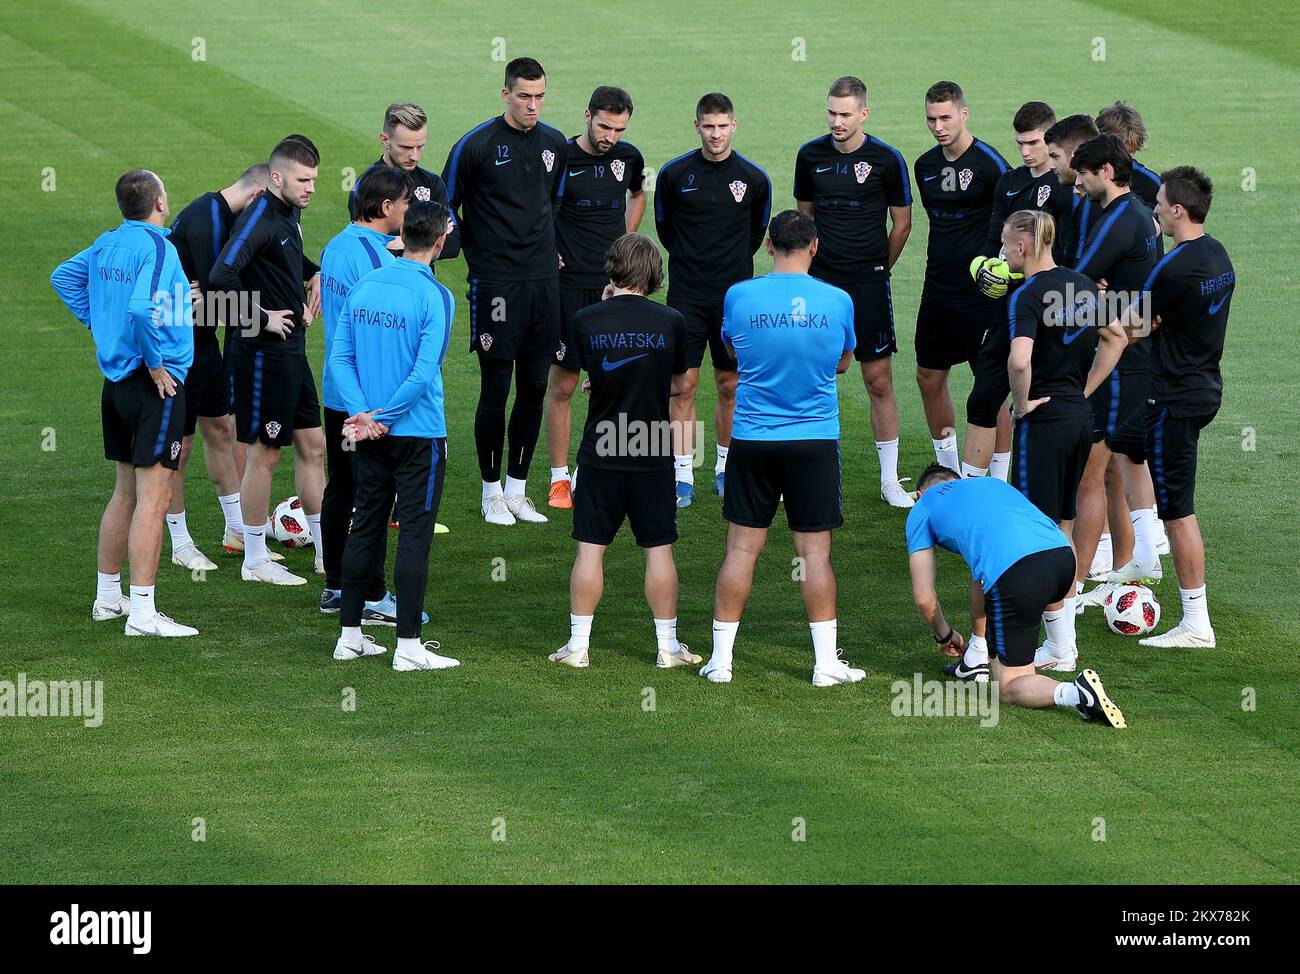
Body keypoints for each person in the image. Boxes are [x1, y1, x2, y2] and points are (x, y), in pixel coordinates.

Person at [698, 210, 863, 687]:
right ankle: (825, 665)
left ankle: (720, 661)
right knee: (814, 554)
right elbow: (843, 363)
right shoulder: (838, 300)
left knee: (741, 549)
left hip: (752, 439)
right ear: (815, 247)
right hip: (814, 440)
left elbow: (732, 351)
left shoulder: (739, 295)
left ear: (768, 246)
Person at [1085, 167, 1233, 648]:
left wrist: (1096, 304)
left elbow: (1126, 331)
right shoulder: (1217, 255)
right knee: (1125, 442)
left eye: (1161, 202)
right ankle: (1144, 556)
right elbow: (1166, 315)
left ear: (1178, 210)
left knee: (1179, 512)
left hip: (1174, 400)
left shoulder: (1171, 268)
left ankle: (1196, 624)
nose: (1155, 208)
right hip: (1203, 386)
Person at [50, 169, 198, 636]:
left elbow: (63, 277)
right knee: (153, 500)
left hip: (115, 386)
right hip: (156, 387)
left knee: (125, 492)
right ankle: (143, 614)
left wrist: (98, 323)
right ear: (159, 202)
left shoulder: (107, 242)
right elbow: (140, 308)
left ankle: (108, 597)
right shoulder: (158, 247)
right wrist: (154, 364)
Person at [548, 234, 697, 668]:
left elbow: (580, 376)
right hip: (651, 446)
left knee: (590, 549)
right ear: (653, 272)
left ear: (612, 268)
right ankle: (668, 647)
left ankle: (578, 646)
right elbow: (680, 384)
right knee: (659, 550)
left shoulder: (585, 319)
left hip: (602, 446)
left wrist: (602, 379)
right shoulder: (671, 320)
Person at [327, 201, 460, 671]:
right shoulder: (438, 296)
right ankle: (408, 647)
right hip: (418, 433)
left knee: (364, 524)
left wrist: (362, 415)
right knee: (415, 537)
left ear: (402, 236)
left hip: (367, 433)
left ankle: (349, 636)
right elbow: (424, 371)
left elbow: (339, 358)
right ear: (440, 241)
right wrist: (384, 416)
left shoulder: (365, 285)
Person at [442, 56, 568, 526]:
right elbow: (445, 202)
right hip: (496, 284)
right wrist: (475, 251)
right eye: (524, 96)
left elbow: (553, 203)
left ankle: (517, 490)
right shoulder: (475, 145)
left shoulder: (554, 143)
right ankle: (490, 492)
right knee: (496, 387)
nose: (533, 105)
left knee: (535, 386)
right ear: (506, 94)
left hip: (543, 283)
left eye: (540, 96)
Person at [905, 466, 1125, 728]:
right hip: (1063, 557)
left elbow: (924, 598)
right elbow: (982, 572)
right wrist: (978, 644)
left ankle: (1077, 693)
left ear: (920, 494)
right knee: (1014, 570)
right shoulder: (992, 484)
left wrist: (944, 635)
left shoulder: (923, 507)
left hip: (1017, 572)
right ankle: (1055, 647)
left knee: (1009, 685)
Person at [210, 134, 326, 586]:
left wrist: (313, 272)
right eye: (303, 180)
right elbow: (222, 274)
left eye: (314, 179)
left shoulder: (288, 211)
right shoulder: (259, 216)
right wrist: (262, 316)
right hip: (262, 354)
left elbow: (282, 257)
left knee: (313, 444)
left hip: (291, 350)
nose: (311, 188)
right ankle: (255, 559)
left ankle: (325, 551)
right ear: (277, 177)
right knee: (265, 453)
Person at [795, 75, 914, 507]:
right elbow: (804, 221)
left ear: (863, 113)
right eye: (831, 113)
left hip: (868, 283)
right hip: (822, 283)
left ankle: (889, 481)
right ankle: (803, 474)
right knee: (812, 376)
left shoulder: (887, 159)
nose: (837, 122)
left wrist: (879, 269)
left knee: (878, 380)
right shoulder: (810, 155)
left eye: (845, 114)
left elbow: (902, 224)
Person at [1063, 134, 1163, 636]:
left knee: (1088, 475)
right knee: (1108, 476)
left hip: (1121, 363)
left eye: (1083, 174)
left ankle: (1072, 588)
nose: (1078, 184)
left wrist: (1089, 293)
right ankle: (1125, 565)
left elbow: (1072, 282)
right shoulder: (1135, 212)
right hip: (1132, 351)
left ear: (1106, 170)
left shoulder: (1120, 219)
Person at [318, 164, 426, 625]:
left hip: (336, 390)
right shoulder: (379, 257)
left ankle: (336, 586)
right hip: (369, 401)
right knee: (372, 497)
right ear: (386, 207)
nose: (409, 209)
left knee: (341, 487)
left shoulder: (334, 245)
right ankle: (373, 594)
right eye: (405, 202)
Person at [654, 92, 770, 507]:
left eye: (723, 126)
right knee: (682, 386)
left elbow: (756, 233)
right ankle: (682, 473)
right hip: (685, 297)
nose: (716, 134)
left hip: (734, 300)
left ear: (734, 126)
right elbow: (665, 229)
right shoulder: (674, 174)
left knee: (730, 384)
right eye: (708, 126)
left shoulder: (754, 179)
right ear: (697, 126)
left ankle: (725, 467)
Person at [1003, 210, 1102, 671]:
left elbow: (1019, 361)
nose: (1002, 252)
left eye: (1005, 244)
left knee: (1035, 531)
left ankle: (1058, 646)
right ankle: (1064, 642)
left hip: (1044, 423)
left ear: (1023, 247)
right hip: (1080, 418)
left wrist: (1021, 404)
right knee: (1062, 526)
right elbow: (1117, 337)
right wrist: (1083, 390)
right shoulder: (1083, 285)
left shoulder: (1026, 296)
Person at [545, 86, 647, 509]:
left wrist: (626, 237)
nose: (611, 137)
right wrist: (549, 247)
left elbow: (638, 193)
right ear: (587, 116)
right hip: (569, 285)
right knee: (565, 383)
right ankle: (558, 478)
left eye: (619, 129)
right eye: (605, 126)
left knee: (612, 379)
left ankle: (594, 467)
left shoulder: (629, 158)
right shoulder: (561, 157)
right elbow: (542, 205)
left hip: (613, 288)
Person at [166, 163, 270, 570]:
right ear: (257, 195)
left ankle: (237, 529)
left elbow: (215, 298)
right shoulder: (207, 218)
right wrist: (262, 314)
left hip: (203, 342)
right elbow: (220, 296)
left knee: (221, 431)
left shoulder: (225, 216)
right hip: (176, 347)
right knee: (180, 447)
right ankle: (180, 543)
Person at [963, 101, 1074, 479]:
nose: (1026, 152)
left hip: (1047, 309)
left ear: (1050, 138)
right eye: (1020, 144)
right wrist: (983, 268)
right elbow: (992, 238)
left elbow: (1064, 254)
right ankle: (977, 490)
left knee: (1042, 401)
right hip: (1004, 309)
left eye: (1034, 143)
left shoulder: (1063, 188)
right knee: (982, 399)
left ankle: (1030, 485)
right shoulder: (1009, 182)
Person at [911, 81, 1011, 477]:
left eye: (945, 118)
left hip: (982, 296)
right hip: (938, 289)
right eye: (931, 119)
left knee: (990, 388)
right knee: (928, 377)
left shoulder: (991, 165)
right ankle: (948, 471)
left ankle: (998, 480)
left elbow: (1014, 221)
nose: (938, 127)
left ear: (964, 114)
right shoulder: (924, 166)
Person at [347, 101, 461, 264]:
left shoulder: (433, 183)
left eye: (420, 147)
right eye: (406, 147)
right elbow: (367, 246)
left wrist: (401, 242)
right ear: (385, 140)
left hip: (420, 278)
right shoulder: (367, 187)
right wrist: (429, 237)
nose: (414, 156)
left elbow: (453, 243)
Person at [1097, 101, 1160, 208]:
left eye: (1129, 152)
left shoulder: (1151, 184)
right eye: (1115, 153)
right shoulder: (1088, 180)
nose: (1122, 159)